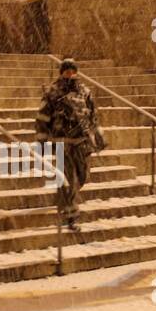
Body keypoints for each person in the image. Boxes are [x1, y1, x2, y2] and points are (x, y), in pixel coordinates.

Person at [35, 58, 104, 232]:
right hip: (61, 143)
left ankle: (64, 198)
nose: (70, 74)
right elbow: (42, 117)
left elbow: (93, 115)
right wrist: (41, 140)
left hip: (81, 142)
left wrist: (98, 135)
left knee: (82, 176)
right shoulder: (53, 92)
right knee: (68, 179)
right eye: (67, 71)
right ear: (61, 73)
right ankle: (70, 216)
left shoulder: (85, 92)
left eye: (73, 71)